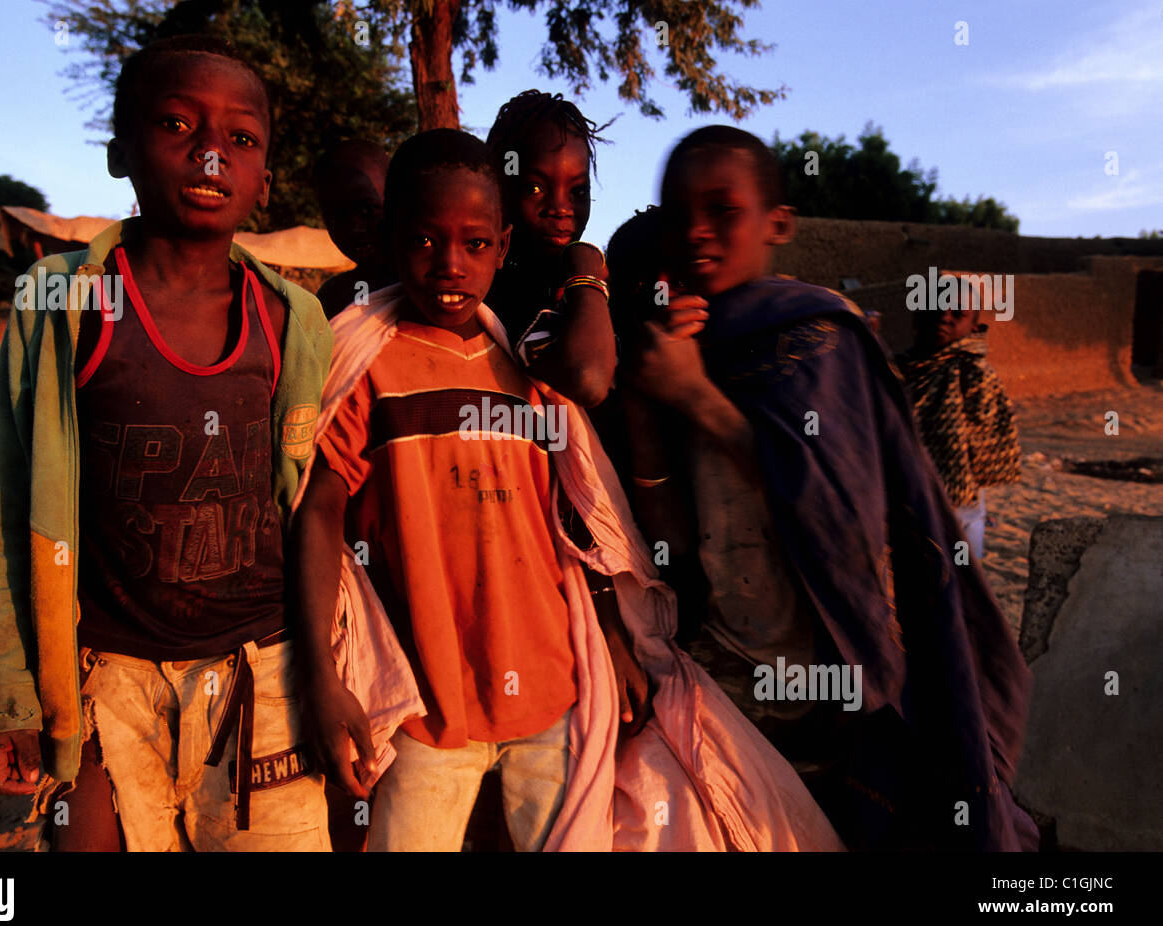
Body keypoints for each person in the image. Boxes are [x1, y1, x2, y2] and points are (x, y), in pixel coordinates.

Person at [288, 128, 843, 853]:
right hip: (428, 707)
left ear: (502, 242)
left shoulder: (526, 367)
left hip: (552, 693)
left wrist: (612, 632)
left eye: (476, 243)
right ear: (390, 240)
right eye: (423, 241)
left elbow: (575, 518)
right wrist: (324, 677)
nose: (450, 264)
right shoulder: (366, 365)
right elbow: (318, 507)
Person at [620, 125, 1036, 851]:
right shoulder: (681, 339)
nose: (697, 232)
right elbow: (670, 535)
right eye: (678, 211)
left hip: (825, 674)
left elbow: (842, 515)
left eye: (723, 210)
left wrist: (697, 398)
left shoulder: (820, 339)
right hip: (726, 666)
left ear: (779, 223)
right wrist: (657, 391)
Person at [0, 35, 333, 852]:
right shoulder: (63, 304)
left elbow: (304, 496)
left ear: (264, 176)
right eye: (176, 124)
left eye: (241, 138)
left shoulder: (290, 322)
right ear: (120, 153)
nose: (210, 152)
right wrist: (7, 699)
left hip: (260, 673)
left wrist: (327, 675)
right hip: (103, 675)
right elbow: (5, 510)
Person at [483, 91, 616, 407]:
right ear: (497, 186)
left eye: (578, 191)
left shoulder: (567, 282)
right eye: (534, 188)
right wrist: (586, 270)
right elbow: (588, 380)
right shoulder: (502, 287)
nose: (560, 208)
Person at [897, 298, 1021, 560]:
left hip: (959, 499)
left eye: (958, 314)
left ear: (974, 329)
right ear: (917, 318)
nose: (944, 317)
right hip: (902, 493)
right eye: (936, 308)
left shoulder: (973, 372)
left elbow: (988, 432)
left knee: (958, 577)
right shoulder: (896, 371)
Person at [314, 139, 395, 318]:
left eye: (367, 209)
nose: (354, 228)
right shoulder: (335, 297)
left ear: (398, 199)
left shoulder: (431, 286)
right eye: (335, 216)